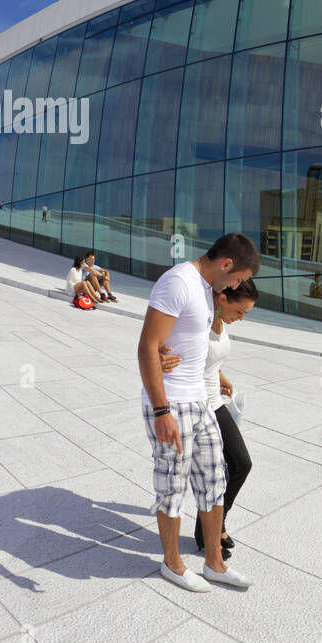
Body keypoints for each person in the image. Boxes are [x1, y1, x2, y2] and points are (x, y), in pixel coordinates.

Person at [136, 232, 260, 592]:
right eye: (238, 279)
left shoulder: (207, 290)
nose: (237, 286)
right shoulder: (178, 282)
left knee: (213, 481)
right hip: (170, 403)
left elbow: (185, 343)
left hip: (200, 402)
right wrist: (162, 411)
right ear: (226, 265)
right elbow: (146, 344)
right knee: (172, 484)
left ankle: (214, 563)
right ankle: (173, 564)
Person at [185, 280, 257, 558]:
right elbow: (174, 354)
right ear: (223, 299)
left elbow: (211, 359)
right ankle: (208, 533)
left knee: (240, 464)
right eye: (240, 312)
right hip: (200, 405)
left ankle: (217, 524)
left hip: (216, 400)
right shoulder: (199, 321)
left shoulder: (219, 321)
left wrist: (221, 375)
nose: (240, 319)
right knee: (219, 471)